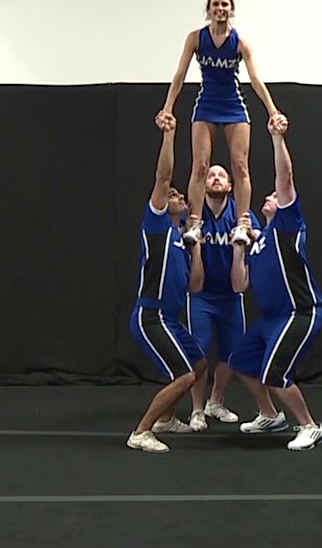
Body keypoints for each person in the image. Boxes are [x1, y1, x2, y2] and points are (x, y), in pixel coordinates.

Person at [156, 0, 285, 251]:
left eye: (225, 4)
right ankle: (194, 221)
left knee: (240, 167)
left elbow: (255, 79)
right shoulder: (196, 39)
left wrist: (273, 111)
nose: (220, 9)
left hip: (233, 105)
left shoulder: (239, 42)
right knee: (200, 166)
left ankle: (242, 222)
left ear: (231, 10)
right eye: (216, 4)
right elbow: (179, 75)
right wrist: (168, 107)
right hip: (206, 104)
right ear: (209, 10)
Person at [228, 113, 322, 451]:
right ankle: (270, 415)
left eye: (272, 196)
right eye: (268, 197)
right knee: (239, 361)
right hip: (270, 320)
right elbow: (240, 286)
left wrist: (277, 138)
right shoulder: (258, 243)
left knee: (275, 372)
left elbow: (284, 176)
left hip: (299, 312)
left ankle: (311, 426)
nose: (269, 198)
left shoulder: (287, 225)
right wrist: (239, 249)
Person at [126, 112, 209, 453]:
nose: (174, 195)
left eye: (178, 195)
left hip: (171, 320)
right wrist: (169, 135)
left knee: (200, 364)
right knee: (185, 377)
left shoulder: (181, 239)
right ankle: (141, 432)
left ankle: (165, 418)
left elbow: (195, 287)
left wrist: (198, 247)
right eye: (171, 195)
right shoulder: (157, 225)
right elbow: (163, 176)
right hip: (151, 316)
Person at [183, 164, 261, 431]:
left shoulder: (241, 215)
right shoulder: (194, 216)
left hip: (230, 297)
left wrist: (254, 235)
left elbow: (259, 240)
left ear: (230, 185)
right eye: (210, 175)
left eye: (221, 176)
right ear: (202, 185)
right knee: (200, 353)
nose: (215, 178)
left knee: (233, 354)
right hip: (201, 297)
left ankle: (215, 401)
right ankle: (196, 410)